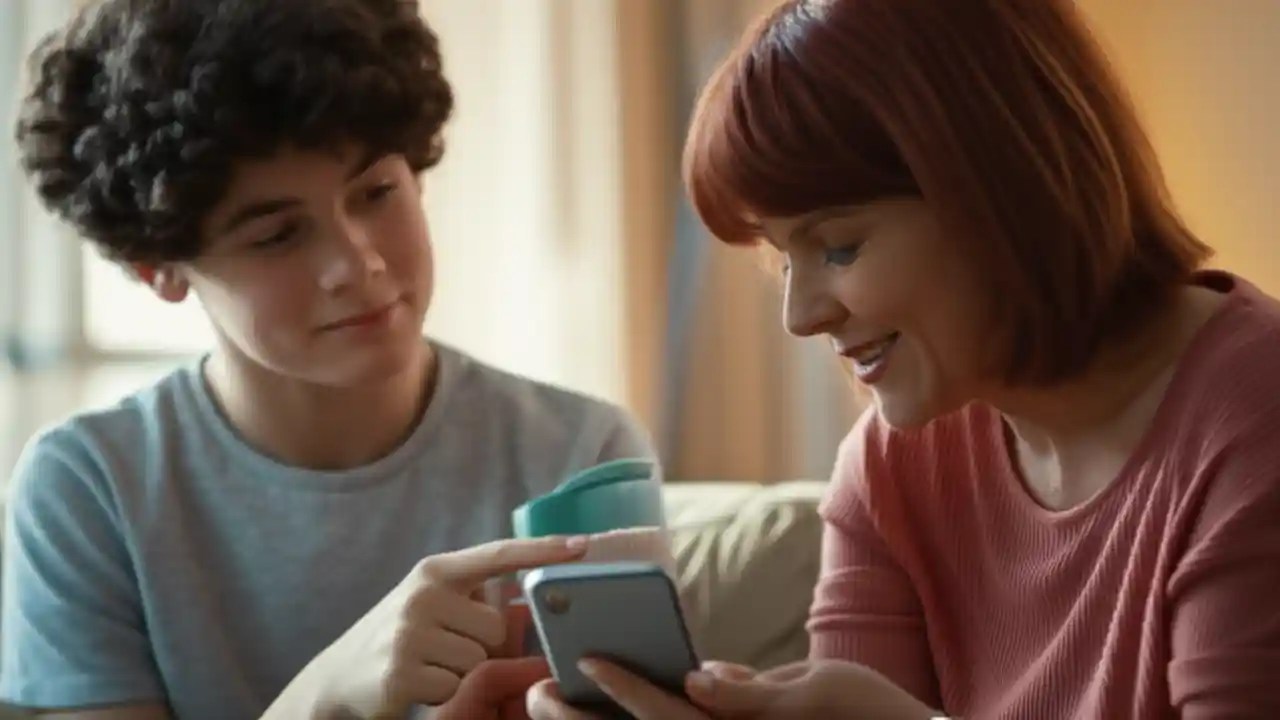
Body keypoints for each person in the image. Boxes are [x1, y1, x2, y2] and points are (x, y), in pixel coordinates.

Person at [528, 0, 1280, 718]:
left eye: (839, 246)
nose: (803, 315)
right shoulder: (895, 465)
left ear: (1004, 185)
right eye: (783, 259)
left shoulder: (1254, 422)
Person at [2, 1, 654, 718]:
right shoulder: (91, 490)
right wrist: (332, 692)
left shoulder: (582, 454)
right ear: (158, 267)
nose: (358, 262)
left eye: (376, 192)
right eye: (278, 235)